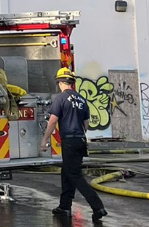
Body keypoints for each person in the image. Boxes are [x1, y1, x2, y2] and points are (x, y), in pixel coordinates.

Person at [40, 67, 108, 221]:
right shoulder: (82, 99)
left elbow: (52, 121)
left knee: (75, 175)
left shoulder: (60, 99)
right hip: (80, 140)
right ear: (72, 82)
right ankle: (64, 206)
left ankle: (98, 207)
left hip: (69, 141)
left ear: (59, 82)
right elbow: (86, 125)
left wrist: (44, 140)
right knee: (67, 172)